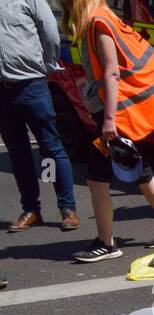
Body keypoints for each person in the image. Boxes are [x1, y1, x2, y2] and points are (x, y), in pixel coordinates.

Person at [60, 0, 154, 263]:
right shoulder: (102, 18)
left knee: (98, 180)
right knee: (139, 169)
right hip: (114, 113)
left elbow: (111, 73)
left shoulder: (99, 22)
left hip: (113, 115)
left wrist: (109, 120)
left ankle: (106, 244)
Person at [0, 0, 79, 234]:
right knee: (18, 152)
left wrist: (45, 66)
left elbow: (50, 34)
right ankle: (31, 210)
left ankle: (67, 208)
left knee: (50, 149)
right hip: (1, 92)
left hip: (31, 85)